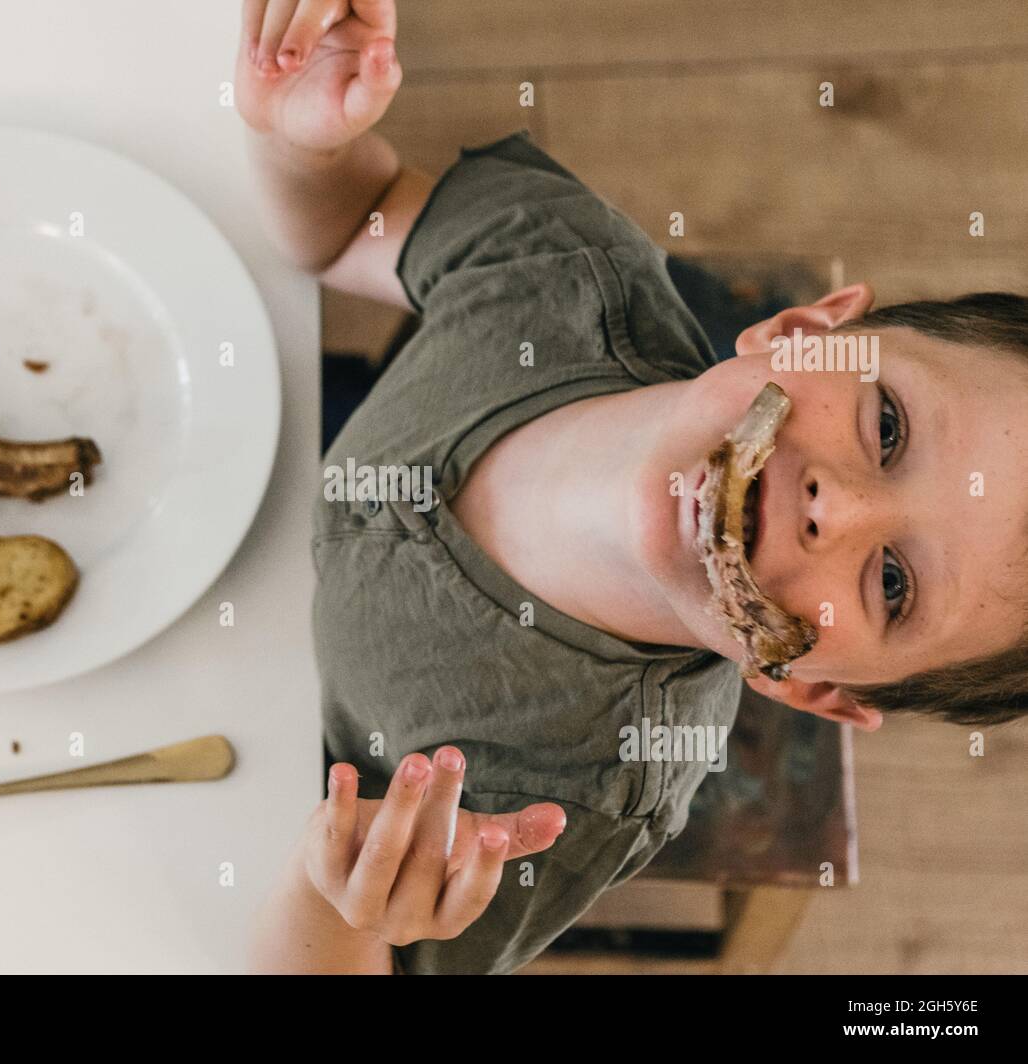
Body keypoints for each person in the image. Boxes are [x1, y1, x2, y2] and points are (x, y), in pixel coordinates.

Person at [237, 0, 1028, 974]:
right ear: (798, 335)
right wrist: (306, 143)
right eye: (888, 426)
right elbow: (333, 239)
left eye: (894, 583)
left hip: (239, 746)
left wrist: (338, 906)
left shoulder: (571, 799)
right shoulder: (562, 269)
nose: (836, 508)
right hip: (268, 457)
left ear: (810, 684)